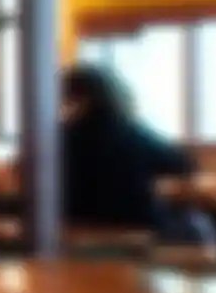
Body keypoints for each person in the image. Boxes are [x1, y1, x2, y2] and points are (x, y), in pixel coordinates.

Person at [61, 65, 197, 237]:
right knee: (196, 224)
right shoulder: (132, 132)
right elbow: (184, 165)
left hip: (73, 232)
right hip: (139, 229)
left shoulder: (57, 138)